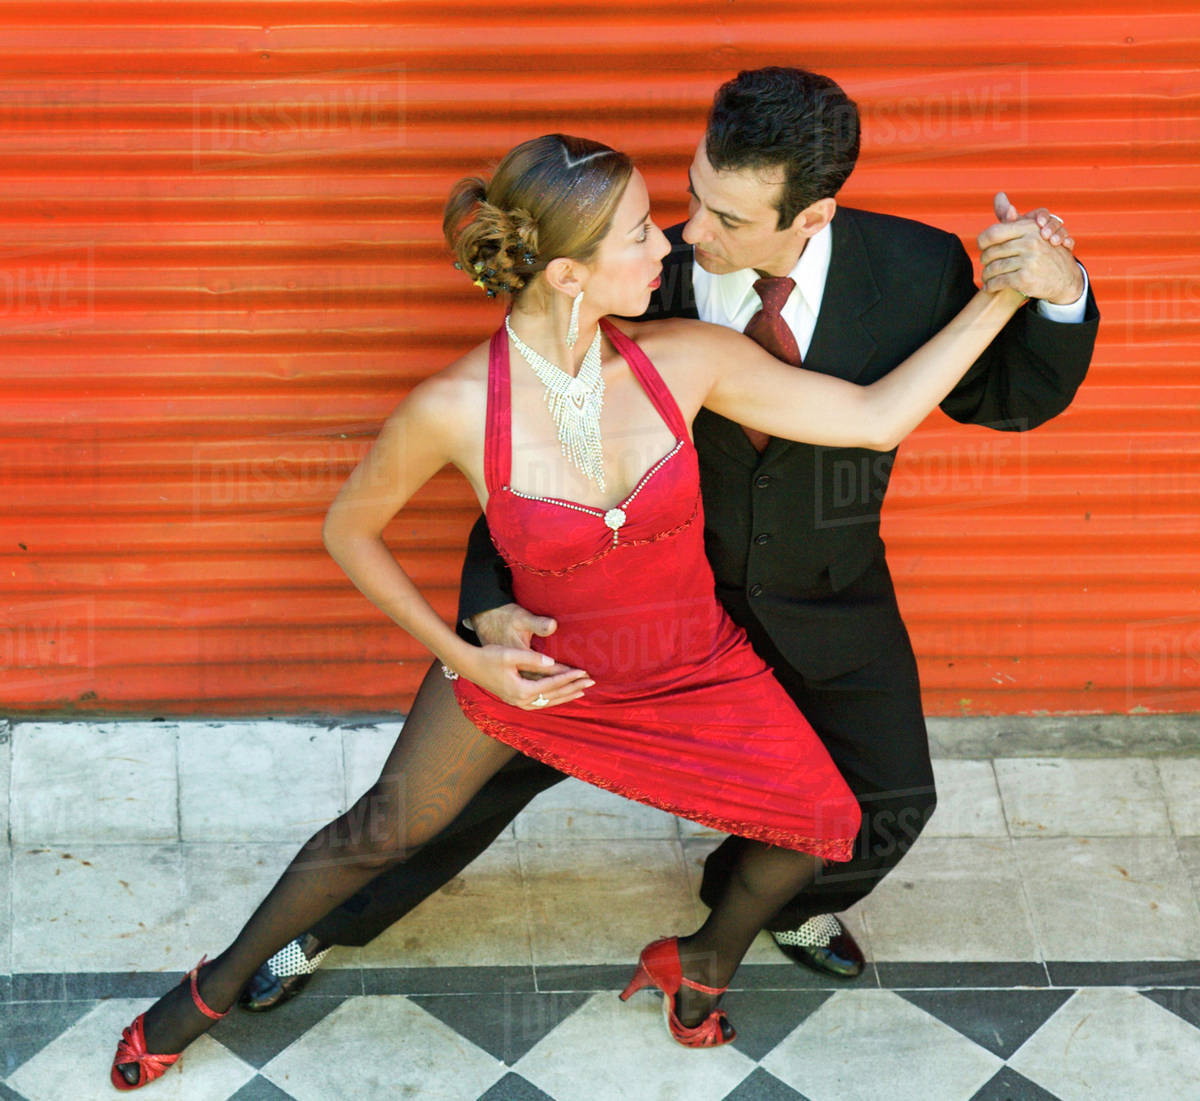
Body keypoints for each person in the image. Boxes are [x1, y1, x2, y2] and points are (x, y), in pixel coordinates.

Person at [111, 129, 1033, 1088]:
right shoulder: (453, 405)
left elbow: (876, 417)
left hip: (691, 665)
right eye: (640, 234)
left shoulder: (690, 357)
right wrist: (465, 652)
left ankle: (700, 960)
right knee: (381, 829)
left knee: (819, 820)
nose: (669, 244)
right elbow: (349, 530)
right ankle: (207, 990)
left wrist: (1004, 294)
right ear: (566, 274)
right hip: (542, 675)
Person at [244, 66, 1099, 1010]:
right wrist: (486, 605)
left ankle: (768, 902)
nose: (691, 232)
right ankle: (318, 926)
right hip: (628, 605)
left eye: (725, 218)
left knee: (891, 800)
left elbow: (1004, 398)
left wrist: (1052, 288)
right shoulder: (638, 278)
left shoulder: (914, 267)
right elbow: (532, 464)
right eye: (691, 196)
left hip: (822, 591)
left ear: (811, 215)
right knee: (451, 797)